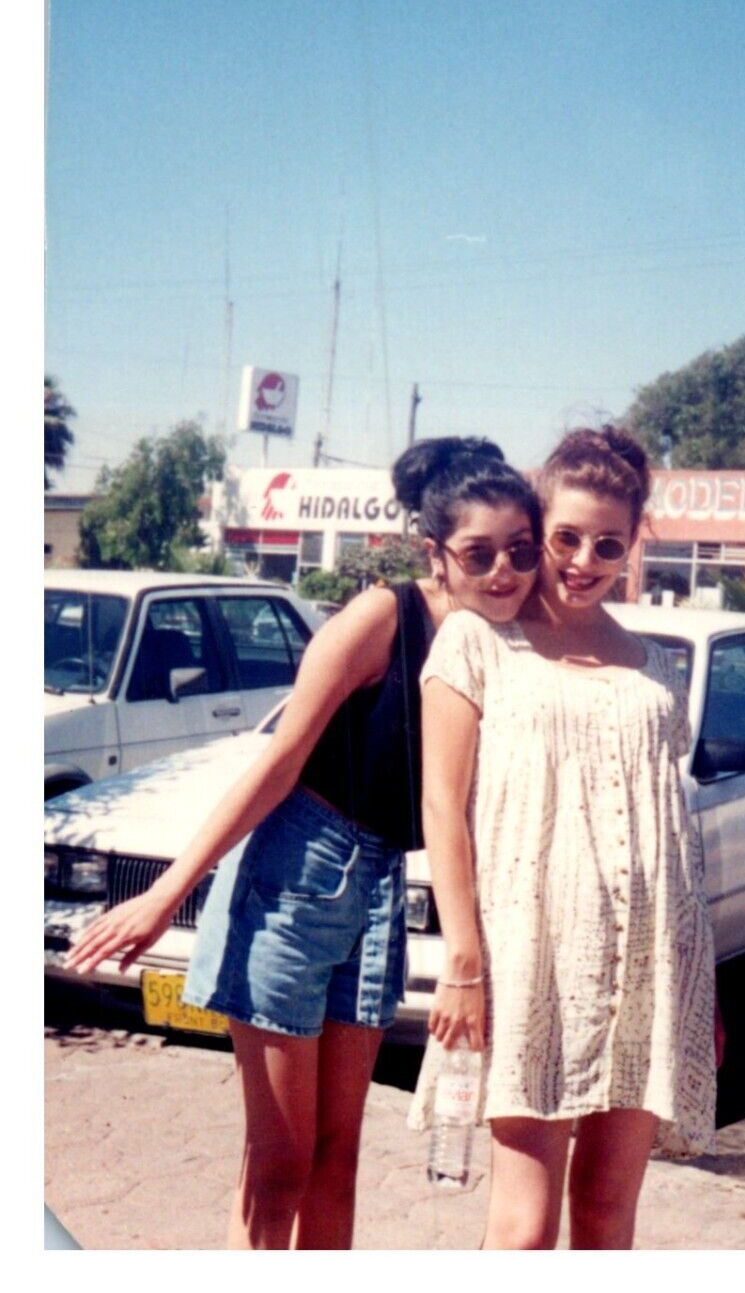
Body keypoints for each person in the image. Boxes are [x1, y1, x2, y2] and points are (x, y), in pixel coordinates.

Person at [63, 437, 541, 1250]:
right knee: (279, 1162)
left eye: (521, 552)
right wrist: (166, 891)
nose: (504, 571)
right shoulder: (382, 618)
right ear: (436, 552)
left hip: (381, 888)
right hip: (295, 882)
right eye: (479, 553)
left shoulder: (504, 643)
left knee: (336, 1156)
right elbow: (280, 757)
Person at [410, 424, 721, 1251]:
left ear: (633, 546)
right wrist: (464, 964)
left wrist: (700, 984)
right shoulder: (478, 640)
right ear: (537, 526)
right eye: (566, 537)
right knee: (523, 1227)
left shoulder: (654, 662)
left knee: (609, 1219)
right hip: (532, 961)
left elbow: (673, 829)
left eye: (608, 544)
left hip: (651, 961)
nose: (584, 560)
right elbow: (442, 806)